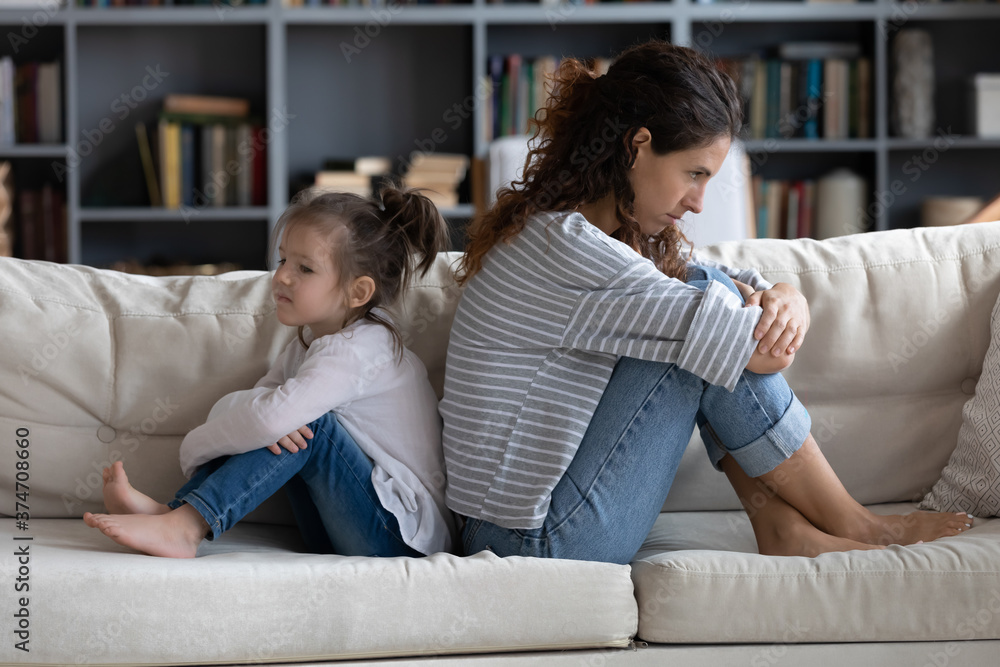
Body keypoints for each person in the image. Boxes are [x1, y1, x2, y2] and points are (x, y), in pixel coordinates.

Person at [440, 39, 973, 565]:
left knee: (705, 317)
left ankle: (782, 527)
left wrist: (785, 295)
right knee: (706, 329)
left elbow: (706, 279)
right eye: (694, 174)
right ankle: (855, 522)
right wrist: (767, 311)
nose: (697, 202)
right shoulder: (570, 249)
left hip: (516, 527)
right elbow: (759, 350)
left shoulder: (576, 234)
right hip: (531, 542)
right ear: (637, 145)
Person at [84, 185, 457, 559]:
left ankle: (187, 526)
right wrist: (258, 419)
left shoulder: (362, 349)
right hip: (339, 528)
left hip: (400, 537)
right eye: (282, 261)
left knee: (309, 428)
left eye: (304, 268)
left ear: (357, 292)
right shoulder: (308, 344)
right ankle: (176, 513)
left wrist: (196, 446)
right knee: (278, 422)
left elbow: (263, 419)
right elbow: (249, 415)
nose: (282, 277)